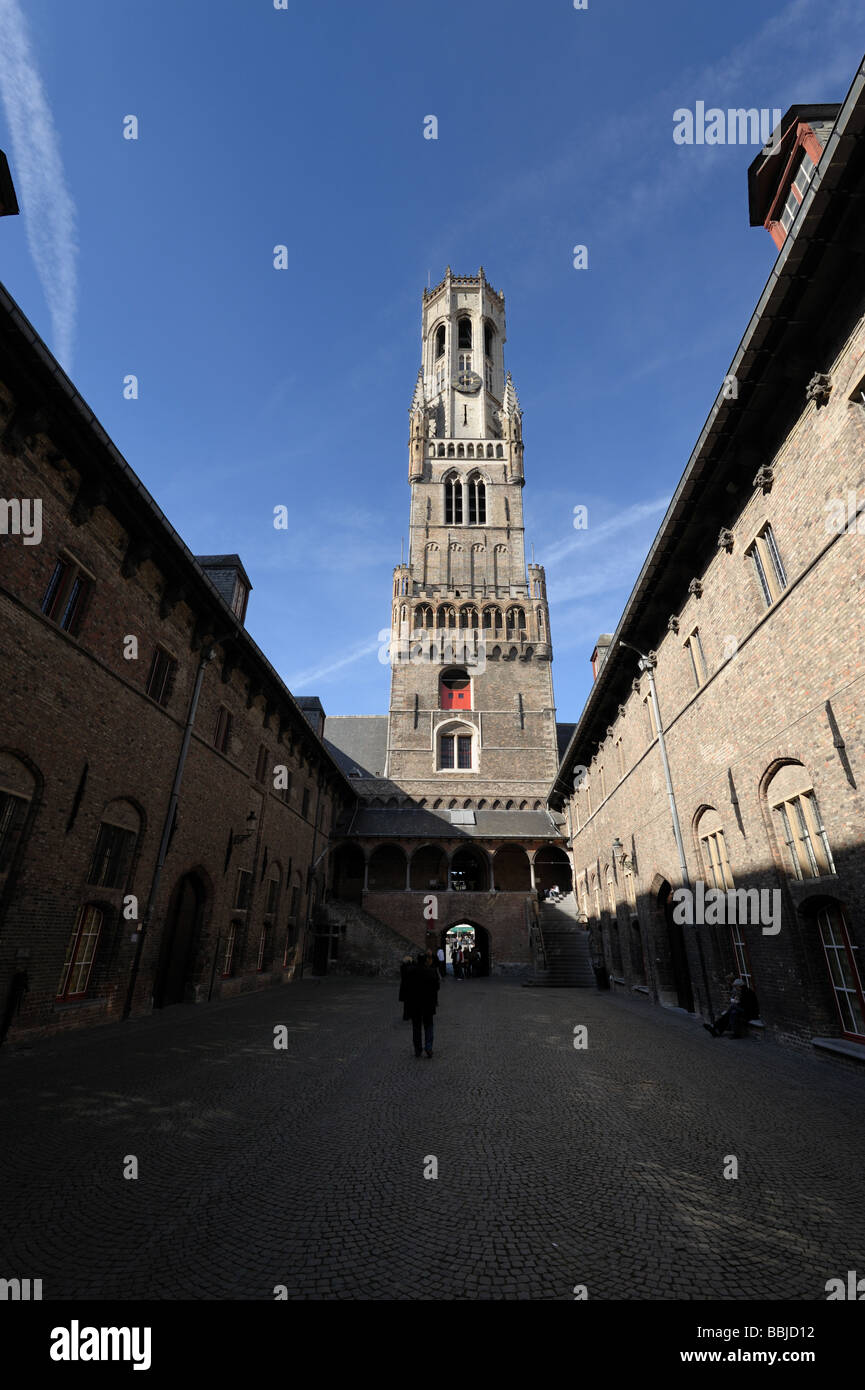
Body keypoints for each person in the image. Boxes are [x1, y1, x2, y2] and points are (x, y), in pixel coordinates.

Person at [403, 950, 439, 1058]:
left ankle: (418, 1049)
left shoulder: (409, 971)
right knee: (428, 1026)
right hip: (428, 1003)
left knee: (416, 1027)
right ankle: (428, 1047)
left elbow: (406, 987)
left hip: (414, 1004)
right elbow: (437, 987)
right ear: (426, 960)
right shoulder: (431, 972)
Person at [398, 955, 413, 1022]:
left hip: (404, 987)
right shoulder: (410, 968)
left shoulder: (402, 967)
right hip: (409, 987)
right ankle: (409, 1015)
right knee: (410, 1002)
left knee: (406, 1003)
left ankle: (406, 1016)